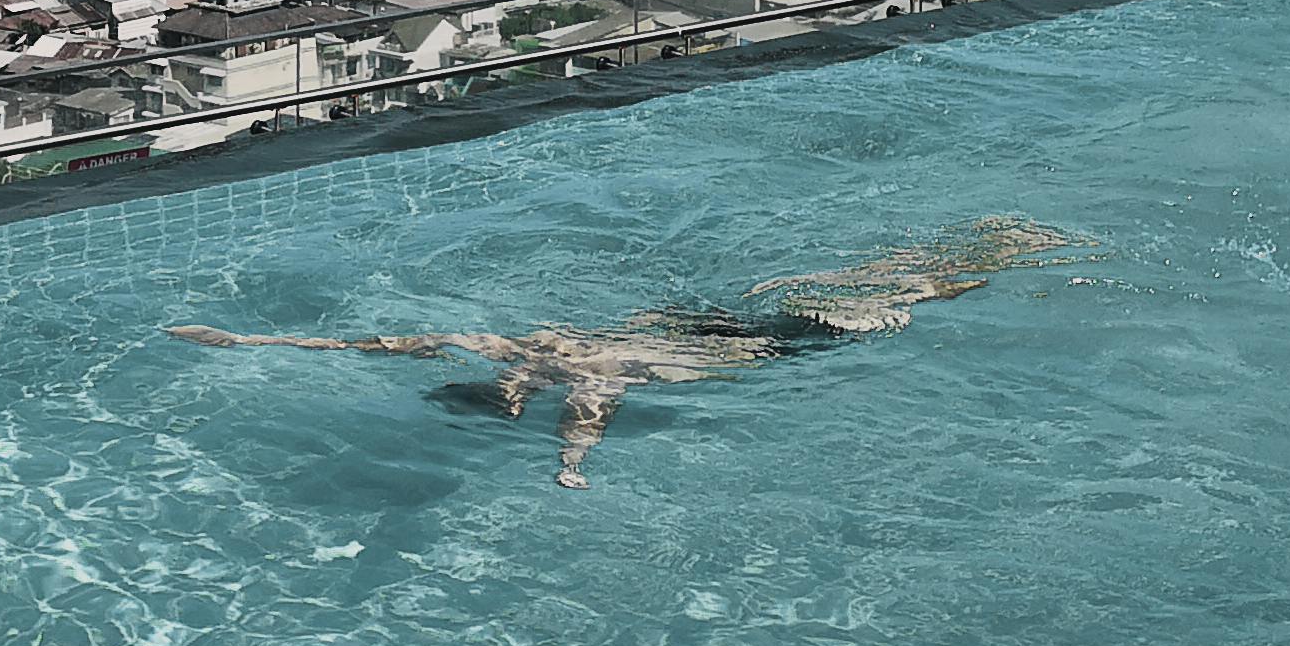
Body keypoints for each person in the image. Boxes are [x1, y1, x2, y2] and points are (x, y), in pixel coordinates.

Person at [172, 218, 1082, 486]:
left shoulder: (567, 371)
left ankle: (994, 262)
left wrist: (570, 470)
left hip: (750, 353)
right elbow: (374, 344)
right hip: (693, 328)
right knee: (871, 286)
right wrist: (248, 338)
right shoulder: (518, 345)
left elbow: (588, 419)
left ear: (505, 387)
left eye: (503, 395)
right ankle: (982, 252)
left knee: (887, 304)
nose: (510, 388)